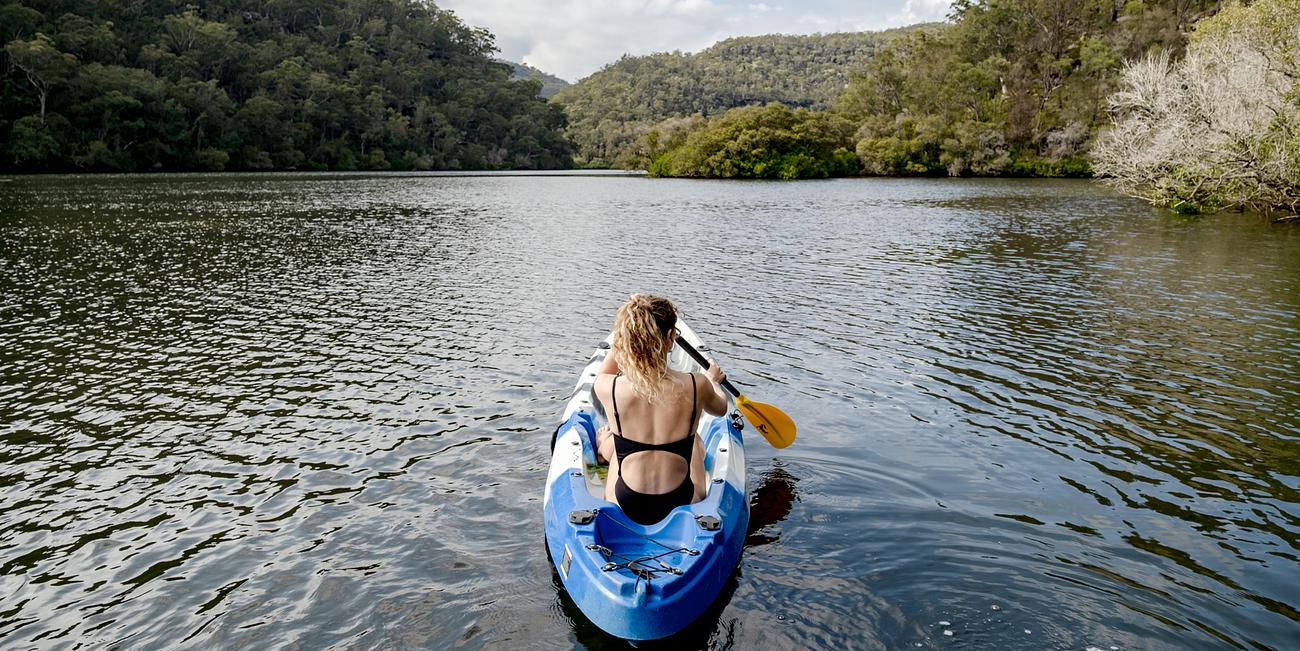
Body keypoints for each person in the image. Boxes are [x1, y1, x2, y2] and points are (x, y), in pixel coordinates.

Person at [592, 294, 729, 525]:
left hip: (625, 500)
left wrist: (625, 341)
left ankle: (602, 447)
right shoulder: (697, 384)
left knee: (617, 443)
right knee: (694, 441)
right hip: (681, 499)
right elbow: (721, 408)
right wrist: (713, 381)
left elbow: (605, 371)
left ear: (627, 341)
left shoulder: (609, 386)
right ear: (669, 338)